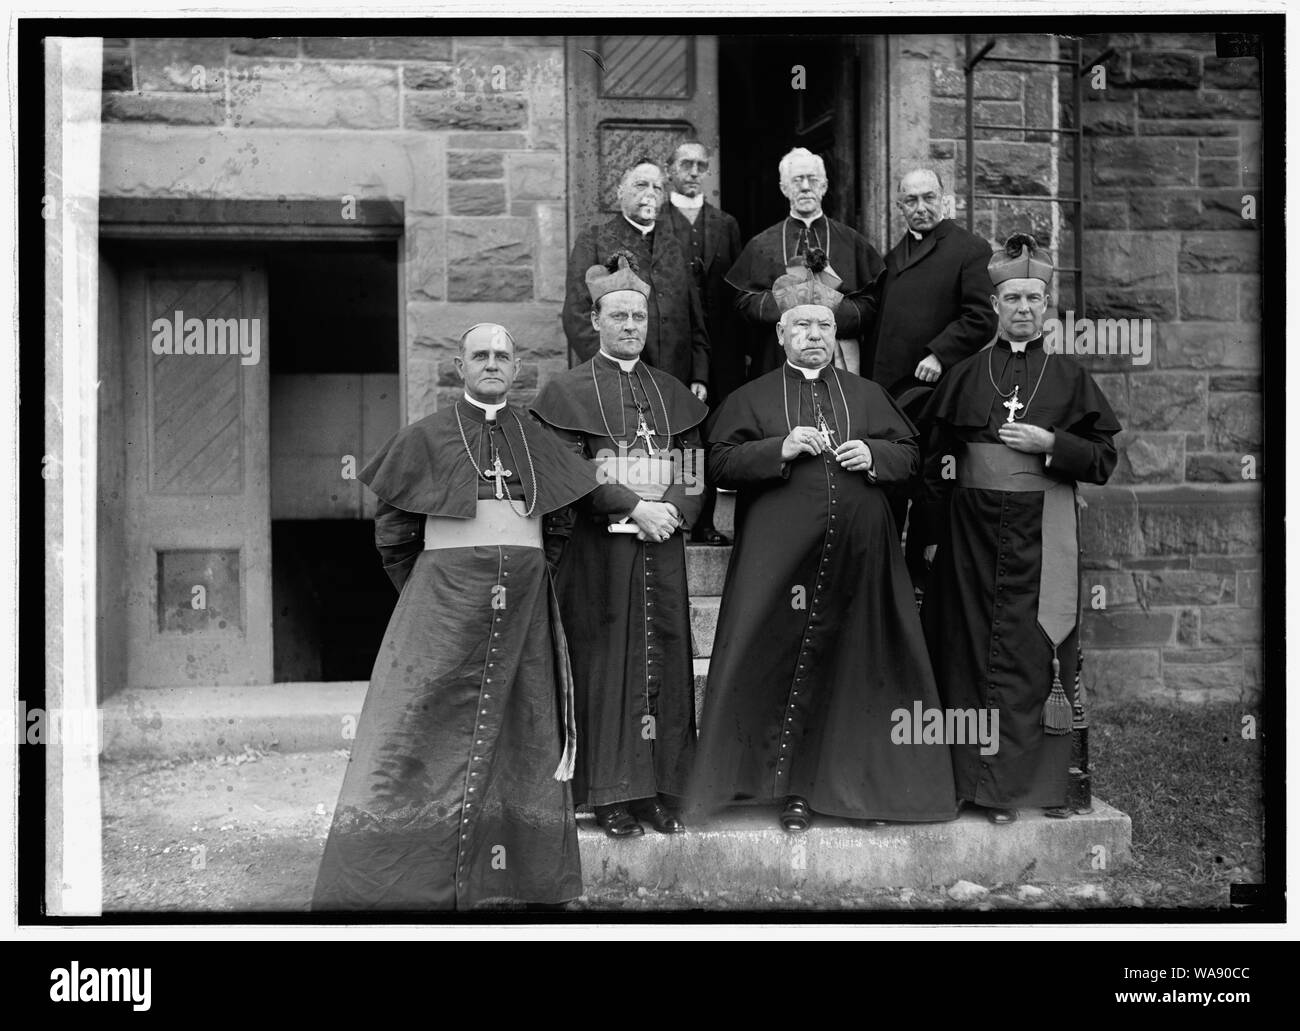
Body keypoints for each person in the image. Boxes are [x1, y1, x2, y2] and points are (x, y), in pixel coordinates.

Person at [312, 323, 608, 911]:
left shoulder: (536, 436)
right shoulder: (424, 437)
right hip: (444, 606)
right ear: (459, 365)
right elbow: (395, 536)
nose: (493, 364)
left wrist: (523, 576)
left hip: (523, 607)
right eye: (481, 355)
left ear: (517, 367)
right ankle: (407, 882)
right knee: (419, 732)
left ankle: (521, 880)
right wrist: (434, 591)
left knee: (524, 731)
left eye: (503, 356)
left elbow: (560, 524)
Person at [687, 260, 957, 832]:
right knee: (772, 663)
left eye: (825, 327)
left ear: (837, 335)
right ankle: (774, 788)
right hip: (778, 563)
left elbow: (911, 455)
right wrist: (777, 450)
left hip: (862, 560)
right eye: (803, 326)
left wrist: (876, 458)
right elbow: (716, 463)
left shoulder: (868, 394)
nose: (814, 335)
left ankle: (858, 791)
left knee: (857, 671)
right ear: (781, 333)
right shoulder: (752, 397)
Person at [918, 233, 1120, 825]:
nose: (1024, 308)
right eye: (1012, 298)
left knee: (1038, 653)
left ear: (1047, 304)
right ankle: (964, 781)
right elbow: (937, 462)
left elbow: (1103, 458)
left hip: (1041, 531)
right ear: (997, 304)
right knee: (964, 648)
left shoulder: (1069, 375)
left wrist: (1053, 443)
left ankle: (1023, 787)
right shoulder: (964, 373)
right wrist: (928, 537)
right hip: (969, 533)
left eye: (1034, 297)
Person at [533, 256, 709, 838]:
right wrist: (633, 505)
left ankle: (658, 790)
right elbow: (566, 469)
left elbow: (692, 466)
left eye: (639, 315)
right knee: (610, 663)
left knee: (662, 661)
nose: (631, 325)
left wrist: (674, 513)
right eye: (619, 315)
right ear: (594, 320)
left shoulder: (671, 391)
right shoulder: (565, 391)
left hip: (661, 546)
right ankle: (611, 793)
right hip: (598, 551)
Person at [863, 168, 998, 594]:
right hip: (890, 394)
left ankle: (922, 581)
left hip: (936, 394)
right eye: (911, 200)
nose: (920, 208)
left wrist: (940, 353)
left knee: (929, 485)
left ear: (944, 199)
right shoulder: (891, 257)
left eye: (928, 198)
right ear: (899, 205)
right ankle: (885, 582)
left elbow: (982, 316)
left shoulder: (970, 249)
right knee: (888, 481)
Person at [725, 147, 884, 378]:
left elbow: (871, 304)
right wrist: (786, 302)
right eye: (797, 180)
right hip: (777, 359)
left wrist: (831, 308)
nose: (806, 186)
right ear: (784, 188)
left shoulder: (852, 241)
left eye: (812, 179)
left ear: (824, 186)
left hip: (837, 357)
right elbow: (743, 303)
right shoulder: (761, 243)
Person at [562, 159, 710, 397]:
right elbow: (577, 316)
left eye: (657, 188)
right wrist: (611, 368)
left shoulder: (676, 245)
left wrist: (699, 374)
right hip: (615, 379)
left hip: (675, 379)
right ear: (621, 191)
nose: (650, 194)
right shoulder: (595, 240)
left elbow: (694, 316)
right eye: (641, 185)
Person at [663, 139, 744, 545]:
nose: (694, 173)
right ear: (670, 170)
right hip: (675, 346)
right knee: (679, 431)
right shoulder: (658, 220)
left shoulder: (726, 224)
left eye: (701, 166)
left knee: (714, 432)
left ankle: (709, 519)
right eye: (686, 165)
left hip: (722, 349)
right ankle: (678, 514)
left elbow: (737, 289)